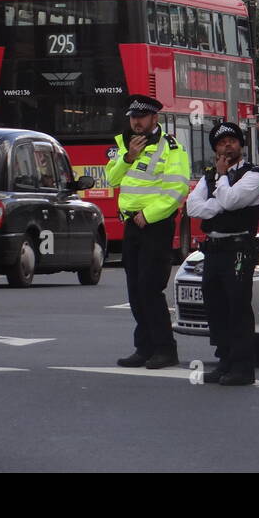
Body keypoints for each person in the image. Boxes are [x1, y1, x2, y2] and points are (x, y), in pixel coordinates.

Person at [105, 95, 191, 370]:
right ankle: (144, 347)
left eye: (142, 117)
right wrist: (129, 157)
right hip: (131, 225)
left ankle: (165, 349)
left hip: (155, 225)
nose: (136, 122)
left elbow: (177, 189)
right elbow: (112, 179)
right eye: (133, 117)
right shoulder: (125, 145)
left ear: (155, 118)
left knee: (150, 288)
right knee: (135, 290)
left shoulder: (171, 148)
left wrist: (149, 215)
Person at [187, 120, 259, 386]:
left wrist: (221, 183)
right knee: (216, 307)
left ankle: (243, 367)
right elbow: (194, 208)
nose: (227, 145)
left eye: (232, 141)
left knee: (237, 307)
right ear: (215, 149)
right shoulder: (208, 176)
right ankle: (225, 361)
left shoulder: (253, 176)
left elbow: (233, 201)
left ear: (241, 145)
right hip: (213, 250)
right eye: (221, 142)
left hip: (238, 250)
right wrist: (218, 203)